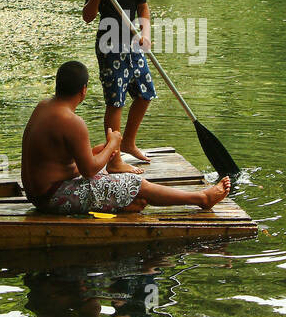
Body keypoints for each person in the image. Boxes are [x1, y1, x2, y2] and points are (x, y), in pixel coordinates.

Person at [20, 61, 229, 215]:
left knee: (137, 201)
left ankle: (128, 204)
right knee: (135, 182)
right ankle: (202, 198)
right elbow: (89, 170)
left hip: (40, 194)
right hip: (53, 199)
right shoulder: (72, 121)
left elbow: (61, 161)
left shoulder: (43, 107)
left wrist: (97, 152)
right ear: (83, 90)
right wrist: (112, 144)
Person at [83, 0, 156, 170]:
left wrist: (146, 33)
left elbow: (143, 7)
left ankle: (128, 143)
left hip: (133, 42)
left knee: (145, 93)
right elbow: (88, 16)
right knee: (116, 101)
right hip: (109, 44)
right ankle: (114, 159)